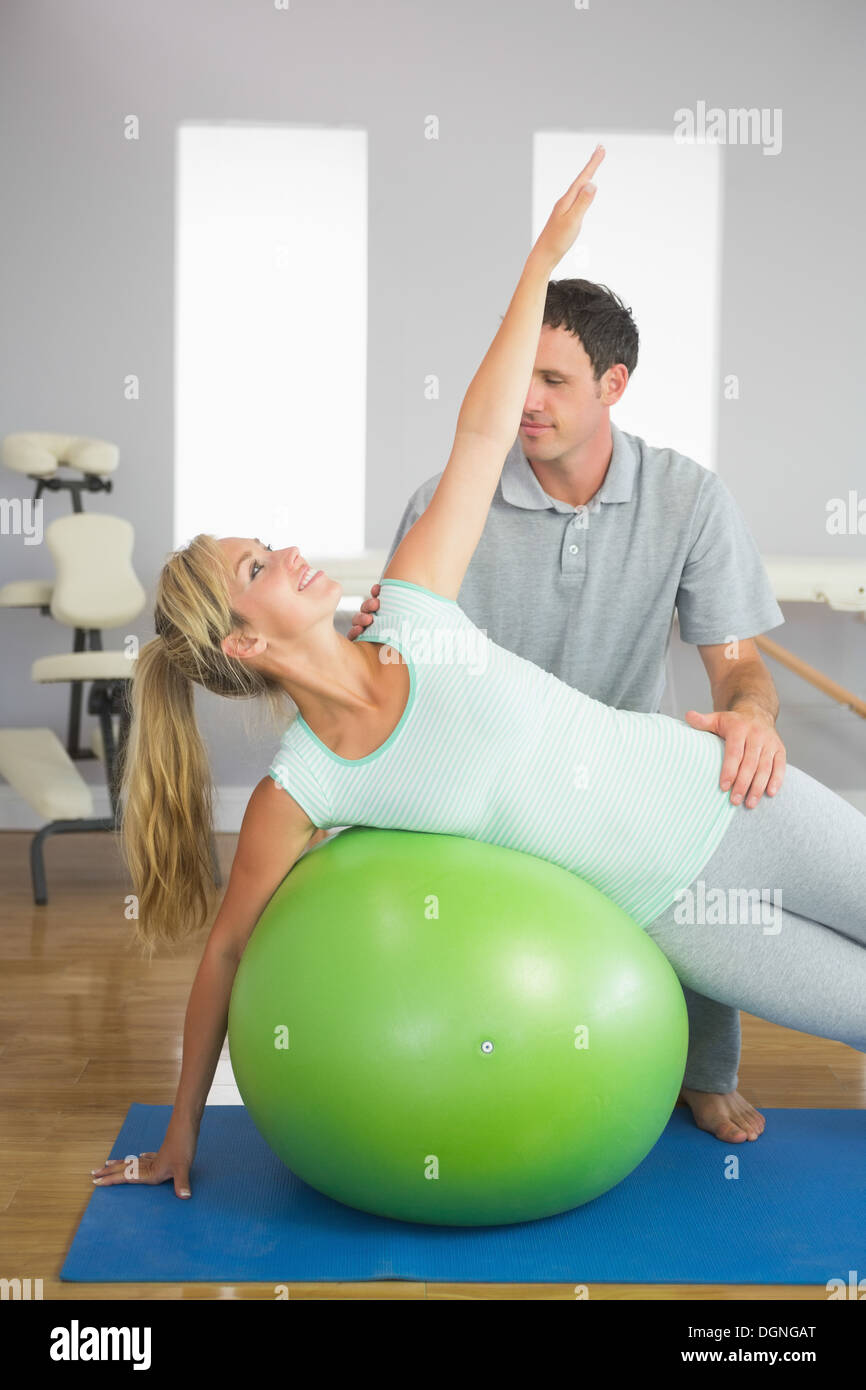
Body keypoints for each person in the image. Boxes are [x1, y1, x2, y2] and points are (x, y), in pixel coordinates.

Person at [95, 147, 866, 1202]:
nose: (287, 550)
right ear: (243, 642)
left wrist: (541, 260)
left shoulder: (411, 609)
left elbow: (477, 427)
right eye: (257, 565)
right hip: (667, 912)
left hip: (728, 794)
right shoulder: (303, 785)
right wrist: (183, 1129)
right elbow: (228, 954)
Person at [344, 299, 787, 1149]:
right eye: (520, 377)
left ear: (613, 385)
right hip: (490, 795)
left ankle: (703, 1070)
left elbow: (738, 667)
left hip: (620, 787)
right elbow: (396, 676)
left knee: (707, 843)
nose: (528, 401)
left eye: (553, 380)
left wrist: (752, 719)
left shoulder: (688, 498)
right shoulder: (447, 504)